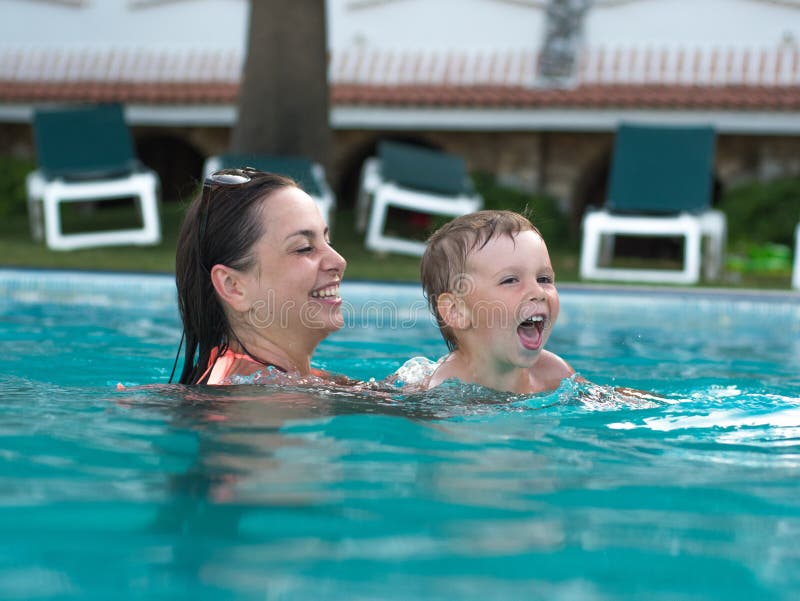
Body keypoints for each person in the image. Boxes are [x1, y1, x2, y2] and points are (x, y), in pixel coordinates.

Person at [173, 167, 347, 385]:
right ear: (233, 286)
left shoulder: (275, 381)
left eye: (327, 241)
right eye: (304, 248)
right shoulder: (256, 396)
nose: (339, 261)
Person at [418, 210, 575, 394]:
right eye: (510, 280)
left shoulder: (553, 372)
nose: (538, 292)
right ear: (457, 311)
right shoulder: (445, 390)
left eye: (544, 279)